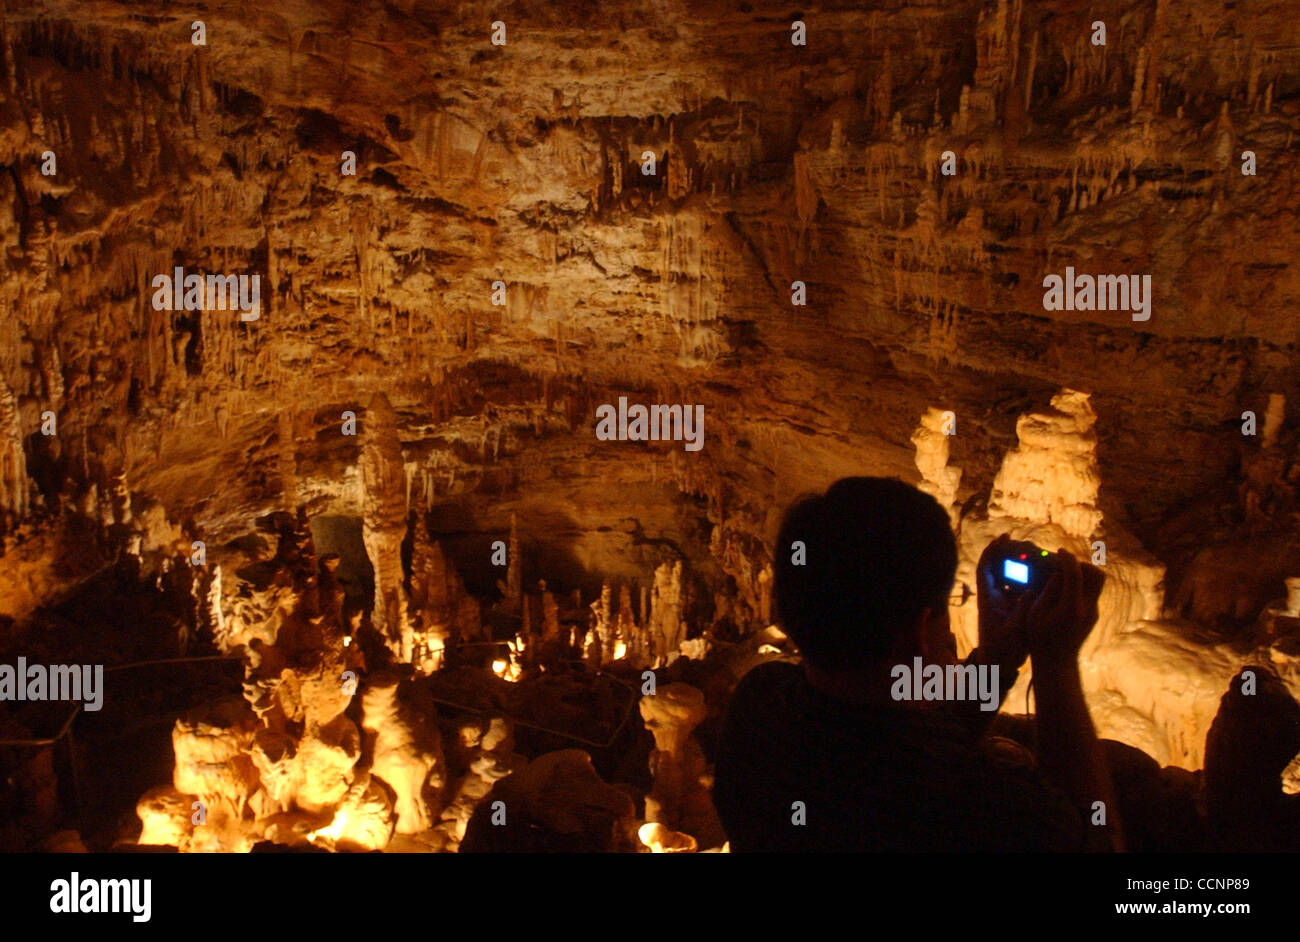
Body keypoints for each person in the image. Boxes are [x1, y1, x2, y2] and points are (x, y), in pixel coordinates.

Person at [712, 476, 1120, 852]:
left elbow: (916, 742)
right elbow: (1097, 843)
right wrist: (1057, 665)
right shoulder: (987, 808)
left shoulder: (760, 705)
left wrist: (998, 660)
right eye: (948, 608)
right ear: (922, 632)